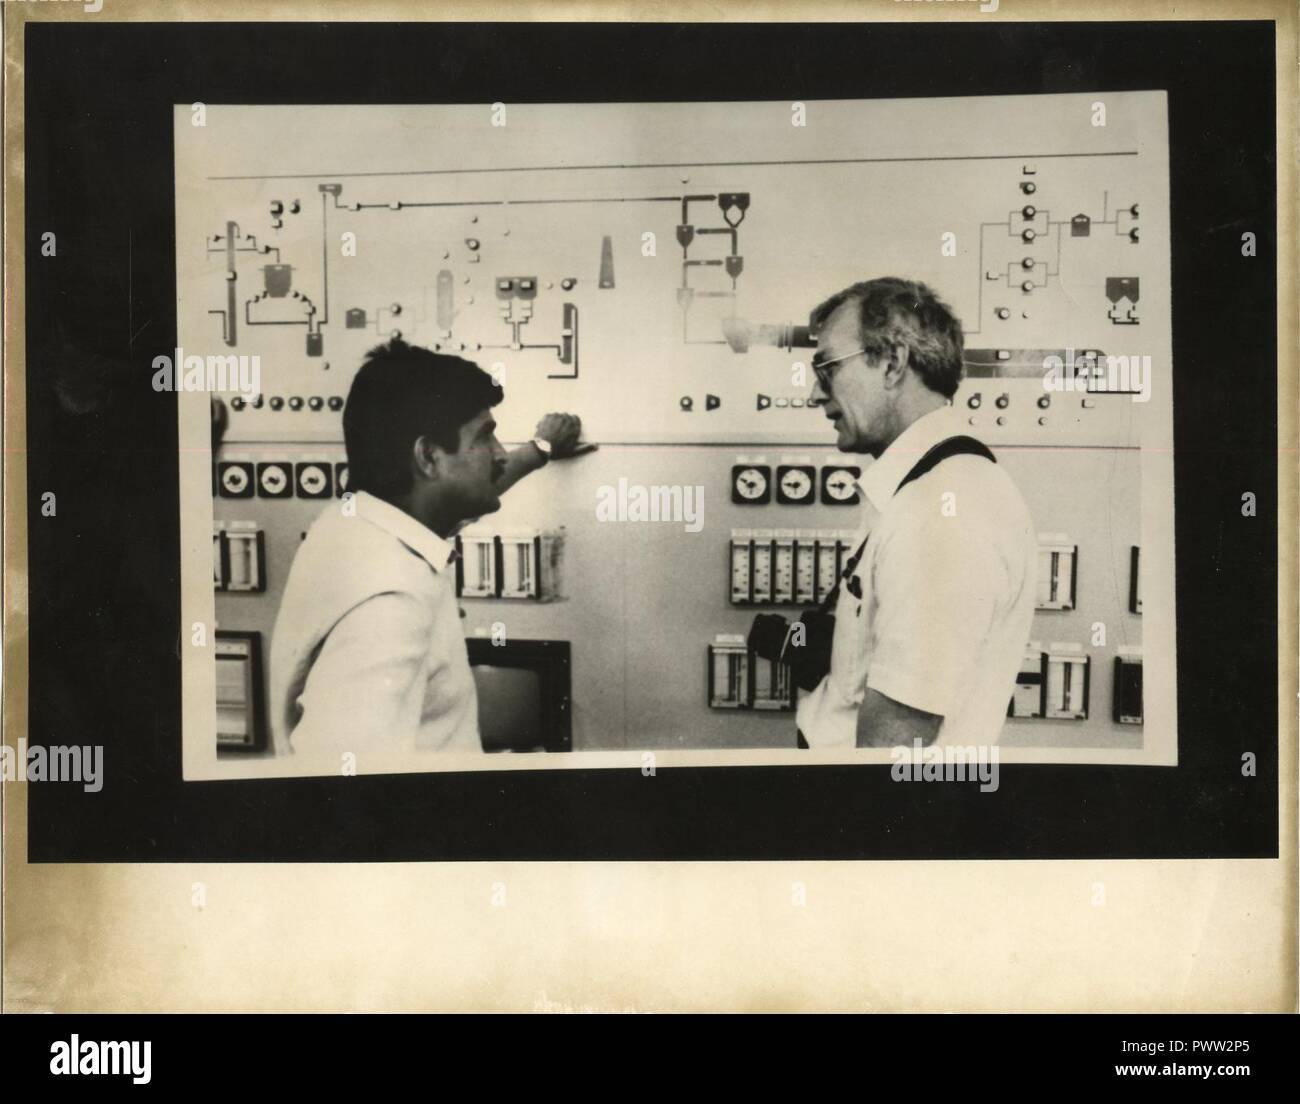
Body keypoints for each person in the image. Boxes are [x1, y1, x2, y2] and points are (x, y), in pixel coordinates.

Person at [270, 337, 586, 758]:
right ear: (429, 458)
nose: (499, 453)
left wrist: (541, 450)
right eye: (485, 437)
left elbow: (461, 499)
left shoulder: (357, 525)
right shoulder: (389, 604)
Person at [795, 277, 1037, 749]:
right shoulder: (922, 488)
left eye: (826, 367)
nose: (814, 394)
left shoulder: (942, 513)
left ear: (891, 363)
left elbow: (896, 743)